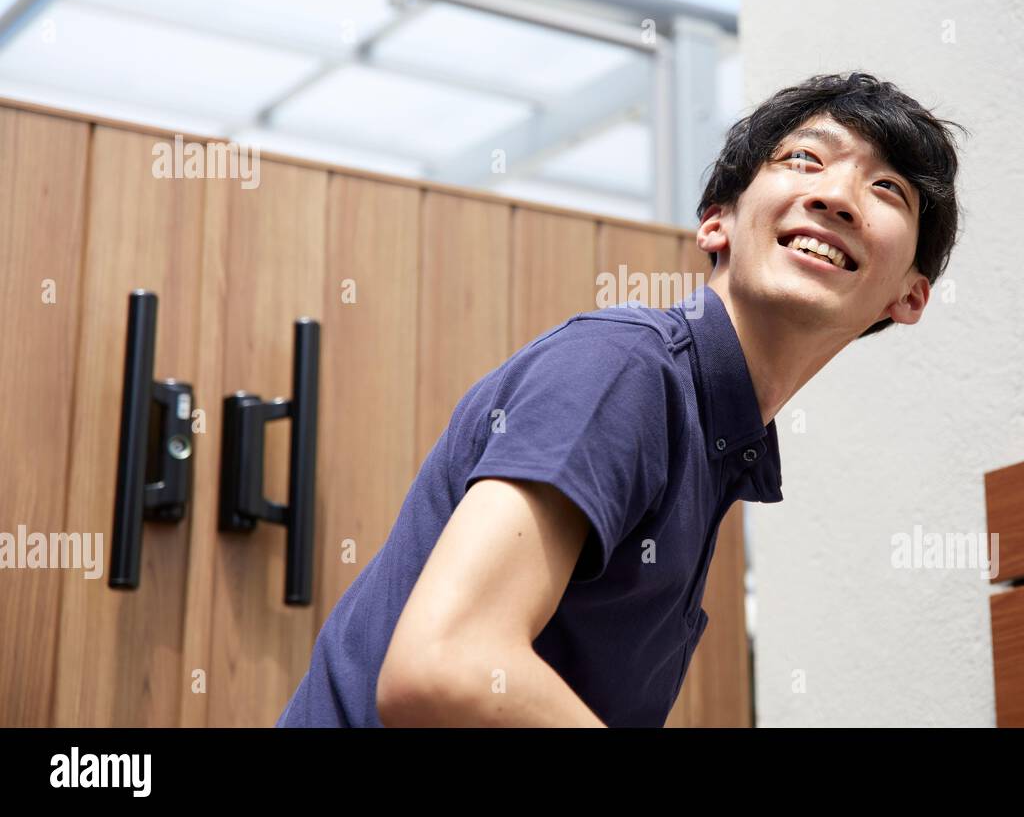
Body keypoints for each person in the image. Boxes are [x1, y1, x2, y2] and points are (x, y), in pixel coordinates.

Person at [275, 71, 965, 727]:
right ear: (716, 223)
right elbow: (446, 666)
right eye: (805, 160)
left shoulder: (717, 441)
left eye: (886, 190)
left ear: (909, 296)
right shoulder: (625, 367)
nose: (836, 195)